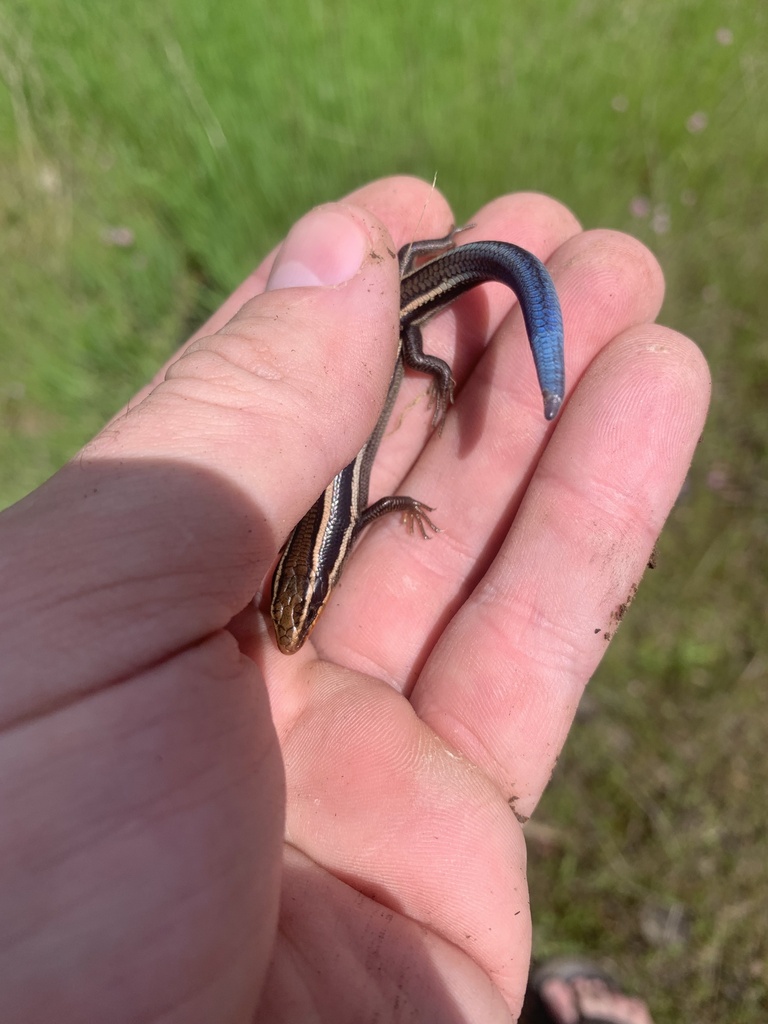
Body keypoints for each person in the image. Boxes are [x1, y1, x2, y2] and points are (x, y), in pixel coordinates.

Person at [0, 177, 709, 1023]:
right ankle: (476, 262)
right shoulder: (320, 552)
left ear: (304, 593)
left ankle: (487, 268)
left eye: (297, 615)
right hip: (406, 308)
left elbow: (366, 509)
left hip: (407, 307)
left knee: (449, 310)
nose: (294, 626)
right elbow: (361, 511)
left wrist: (424, 401)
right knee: (441, 316)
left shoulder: (322, 550)